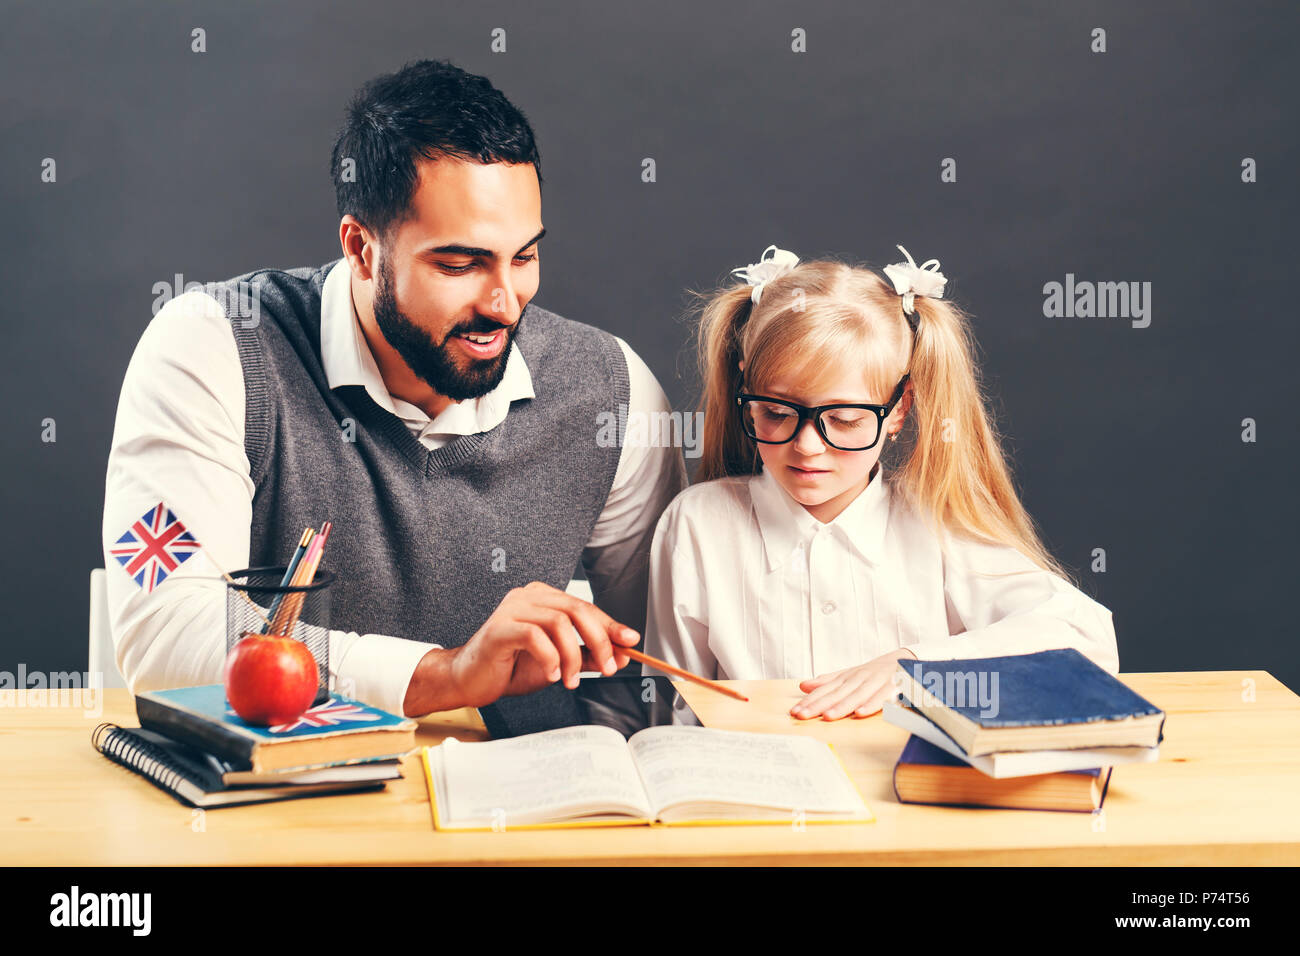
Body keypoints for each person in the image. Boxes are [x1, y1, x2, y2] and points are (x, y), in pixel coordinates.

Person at [102, 59, 685, 734]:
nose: (505, 303)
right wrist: (445, 675)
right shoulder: (211, 346)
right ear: (361, 248)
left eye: (524, 256)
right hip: (301, 793)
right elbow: (167, 637)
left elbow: (652, 672)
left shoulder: (615, 392)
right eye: (459, 264)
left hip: (532, 791)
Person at [642, 243, 1118, 721]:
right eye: (777, 412)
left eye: (845, 419)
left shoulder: (935, 524)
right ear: (746, 393)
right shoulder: (698, 524)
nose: (807, 446)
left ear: (898, 409)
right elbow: (670, 709)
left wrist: (914, 665)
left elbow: (1086, 637)